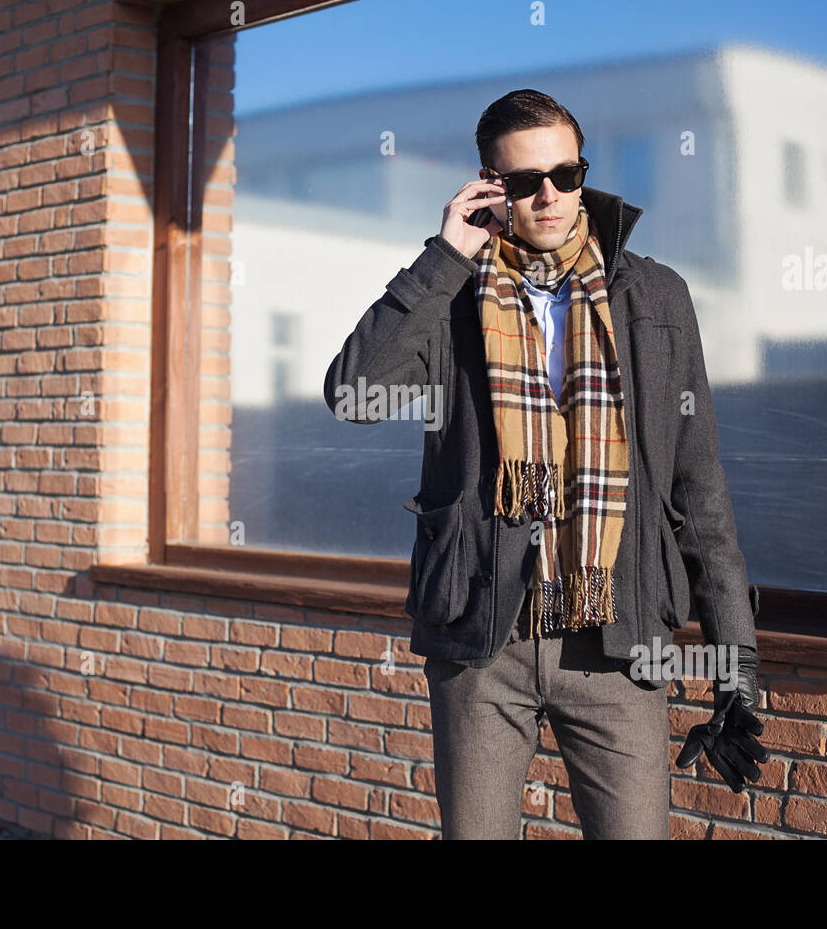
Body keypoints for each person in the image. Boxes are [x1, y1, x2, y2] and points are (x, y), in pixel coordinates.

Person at [323, 89, 765, 839]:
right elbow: (354, 396)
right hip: (482, 641)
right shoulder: (452, 299)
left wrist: (736, 661)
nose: (551, 195)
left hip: (617, 641)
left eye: (567, 173)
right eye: (527, 181)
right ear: (491, 185)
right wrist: (441, 262)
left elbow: (699, 485)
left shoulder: (655, 297)